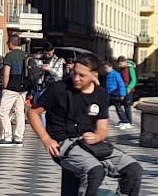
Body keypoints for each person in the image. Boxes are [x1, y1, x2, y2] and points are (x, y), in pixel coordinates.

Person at [28, 52, 143, 196]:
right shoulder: (59, 89)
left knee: (133, 169)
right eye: (74, 73)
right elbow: (33, 113)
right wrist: (46, 139)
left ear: (94, 75)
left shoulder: (101, 94)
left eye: (82, 75)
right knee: (94, 171)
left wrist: (97, 137)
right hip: (63, 143)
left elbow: (102, 129)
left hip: (90, 143)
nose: (76, 78)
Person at [0, 35, 30, 145]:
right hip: (23, 88)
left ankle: (7, 136)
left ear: (11, 43)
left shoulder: (10, 56)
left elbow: (6, 73)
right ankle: (18, 137)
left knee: (3, 112)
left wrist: (4, 86)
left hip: (11, 87)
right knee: (19, 113)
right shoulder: (25, 55)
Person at [103, 61, 132, 130]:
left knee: (118, 108)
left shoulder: (115, 74)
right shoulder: (107, 75)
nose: (105, 70)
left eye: (106, 68)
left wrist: (122, 94)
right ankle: (123, 121)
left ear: (111, 67)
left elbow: (121, 84)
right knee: (105, 107)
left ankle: (125, 121)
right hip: (110, 94)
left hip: (115, 94)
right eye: (104, 68)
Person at [116, 57, 137, 129]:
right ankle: (125, 120)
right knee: (122, 105)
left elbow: (133, 80)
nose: (119, 65)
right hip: (122, 89)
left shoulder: (130, 68)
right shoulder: (121, 69)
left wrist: (129, 88)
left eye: (120, 64)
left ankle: (129, 121)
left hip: (128, 90)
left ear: (124, 62)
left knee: (127, 106)